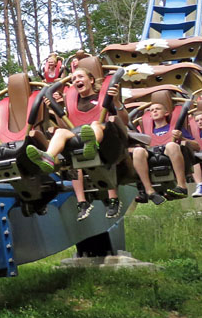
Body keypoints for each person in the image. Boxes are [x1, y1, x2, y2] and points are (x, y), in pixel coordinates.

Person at [26, 65, 130, 220]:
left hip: (105, 139)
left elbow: (124, 120)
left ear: (91, 79)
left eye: (80, 77)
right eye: (74, 78)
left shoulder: (104, 96)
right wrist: (59, 108)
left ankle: (92, 146)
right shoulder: (72, 102)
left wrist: (116, 102)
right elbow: (66, 127)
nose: (76, 80)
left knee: (94, 125)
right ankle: (48, 157)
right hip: (80, 136)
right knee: (60, 132)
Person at [129, 102, 194, 201]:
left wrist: (183, 138)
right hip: (151, 154)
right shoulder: (144, 130)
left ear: (166, 113)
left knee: (171, 145)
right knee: (137, 151)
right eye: (151, 110)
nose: (154, 111)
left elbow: (196, 146)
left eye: (157, 109)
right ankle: (150, 191)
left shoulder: (176, 128)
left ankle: (182, 187)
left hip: (169, 153)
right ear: (150, 115)